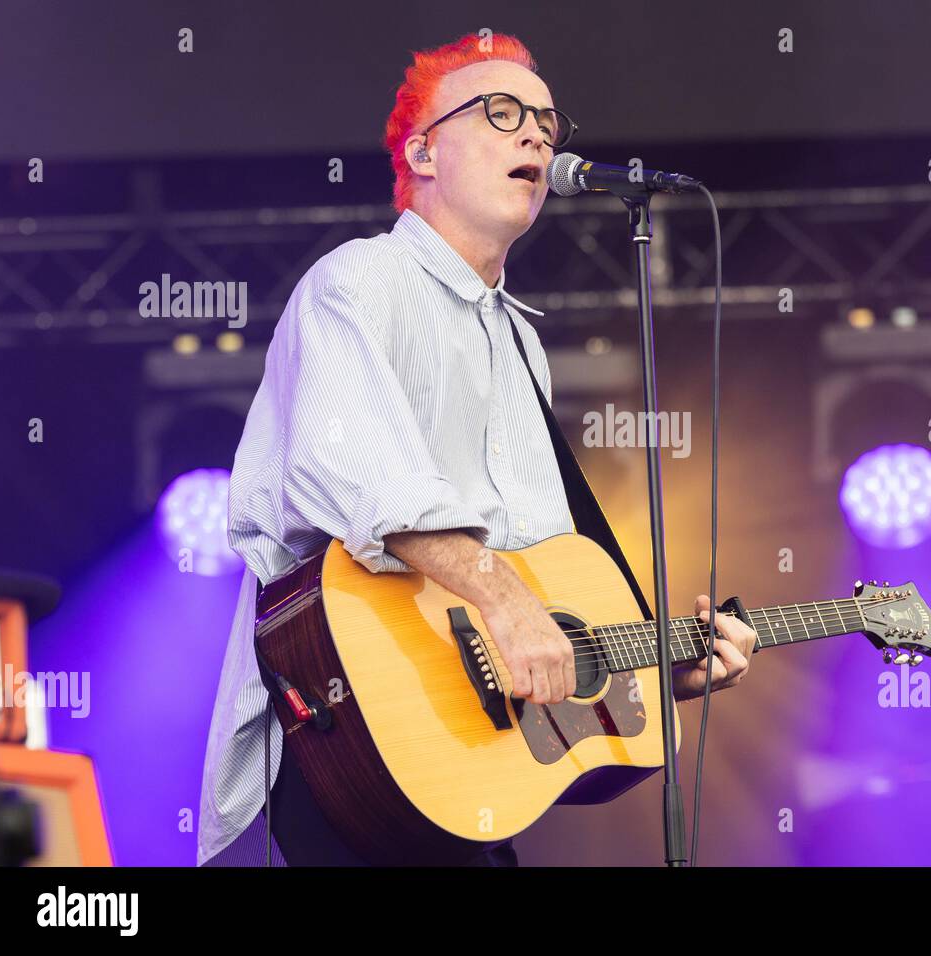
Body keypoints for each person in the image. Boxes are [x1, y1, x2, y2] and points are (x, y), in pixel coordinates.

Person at [197, 31, 757, 867]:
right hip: (347, 747)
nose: (536, 134)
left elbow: (539, 572)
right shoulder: (358, 281)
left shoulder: (519, 342)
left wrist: (653, 661)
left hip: (456, 779)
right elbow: (362, 480)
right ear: (423, 151)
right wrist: (506, 601)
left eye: (545, 120)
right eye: (501, 113)